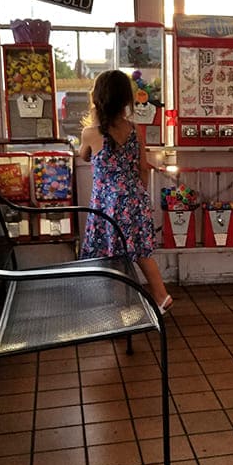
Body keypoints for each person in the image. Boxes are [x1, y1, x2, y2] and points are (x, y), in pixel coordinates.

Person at [80, 69, 172, 313]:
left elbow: (84, 156)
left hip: (107, 204)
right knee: (141, 251)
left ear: (98, 98)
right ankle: (161, 297)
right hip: (134, 199)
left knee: (112, 254)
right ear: (126, 100)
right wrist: (138, 195)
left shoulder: (90, 133)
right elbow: (143, 168)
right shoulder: (134, 129)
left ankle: (120, 306)